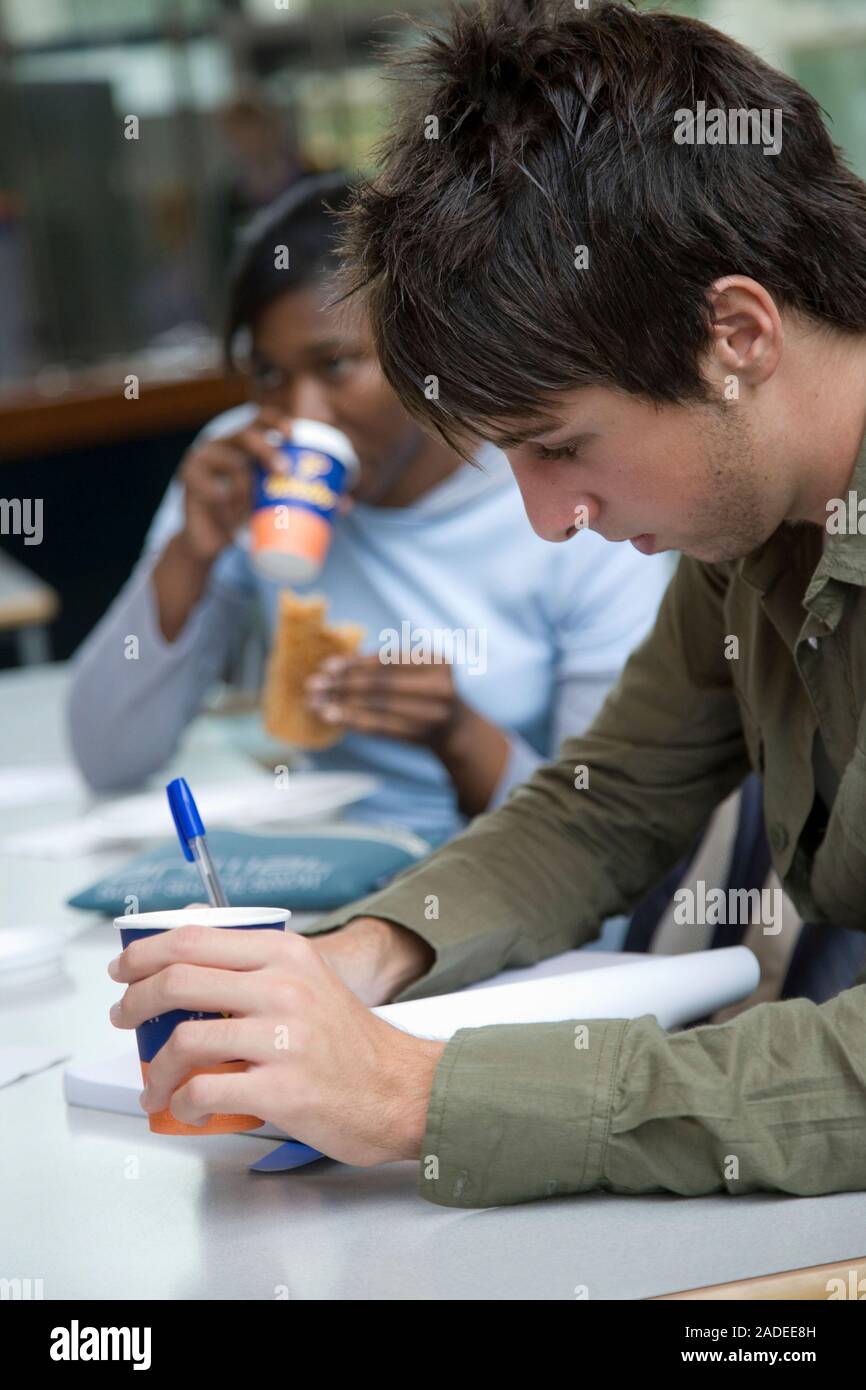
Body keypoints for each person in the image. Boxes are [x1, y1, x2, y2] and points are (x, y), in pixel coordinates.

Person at [108, 0, 866, 1207]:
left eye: (559, 445)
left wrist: (415, 1093)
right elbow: (605, 802)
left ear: (735, 334)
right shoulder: (749, 521)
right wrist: (362, 955)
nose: (546, 518)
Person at [69, 172, 670, 846]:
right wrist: (189, 554)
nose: (301, 414)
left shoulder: (564, 496)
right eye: (268, 375)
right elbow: (107, 760)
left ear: (428, 352)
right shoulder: (239, 468)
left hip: (506, 881)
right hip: (331, 862)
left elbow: (606, 841)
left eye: (334, 366)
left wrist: (458, 734)